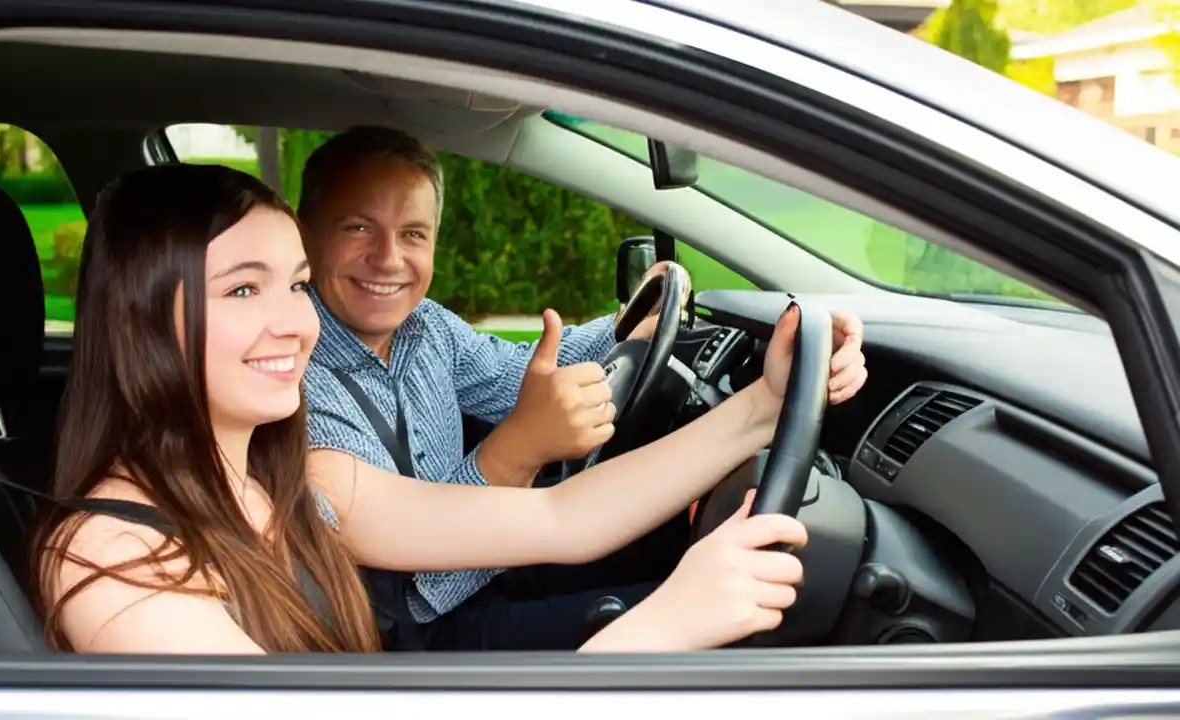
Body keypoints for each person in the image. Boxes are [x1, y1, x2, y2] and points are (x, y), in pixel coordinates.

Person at [29, 162, 812, 655]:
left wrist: (762, 406)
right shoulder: (113, 559)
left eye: (294, 285)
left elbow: (563, 517)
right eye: (242, 289)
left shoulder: (289, 477)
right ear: (140, 321)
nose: (297, 323)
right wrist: (658, 630)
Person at [294, 126, 868, 649]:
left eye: (413, 233)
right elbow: (433, 578)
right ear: (305, 234)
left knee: (679, 558)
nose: (388, 258)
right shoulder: (299, 390)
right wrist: (523, 447)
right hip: (420, 641)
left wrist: (633, 326)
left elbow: (522, 372)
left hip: (490, 572)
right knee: (756, 618)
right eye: (359, 227)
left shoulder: (426, 328)